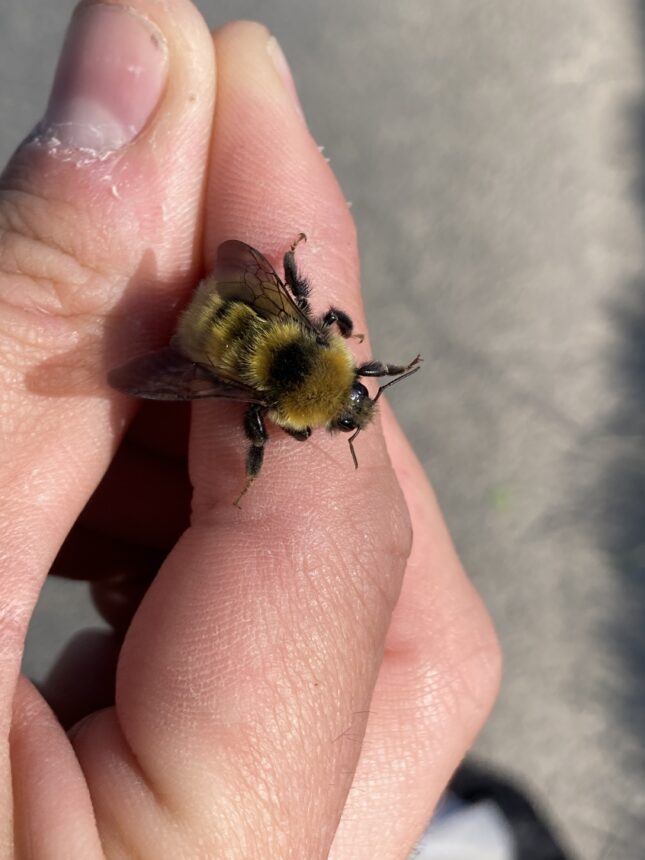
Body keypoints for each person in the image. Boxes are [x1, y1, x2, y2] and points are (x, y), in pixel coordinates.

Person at [0, 2, 500, 856]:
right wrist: (259, 474)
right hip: (209, 354)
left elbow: (289, 290)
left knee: (301, 309)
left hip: (242, 313)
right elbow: (274, 421)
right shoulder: (276, 410)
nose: (353, 398)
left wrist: (293, 270)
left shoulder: (319, 345)